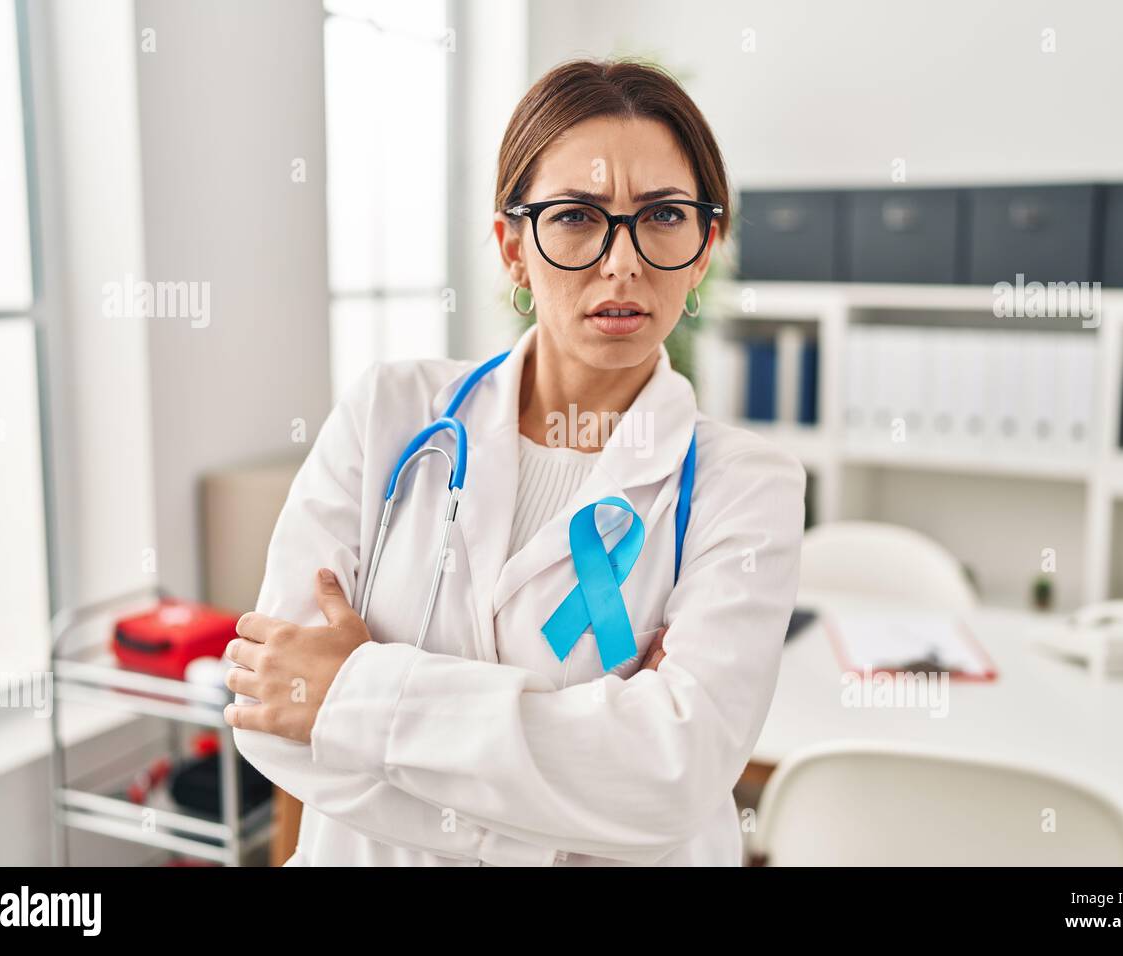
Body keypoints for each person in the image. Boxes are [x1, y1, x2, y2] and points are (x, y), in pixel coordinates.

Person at [223, 57, 805, 866]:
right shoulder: (388, 417)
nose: (623, 261)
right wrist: (573, 796)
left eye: (664, 215)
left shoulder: (745, 490)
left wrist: (353, 696)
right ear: (512, 248)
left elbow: (672, 778)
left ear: (705, 247)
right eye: (576, 215)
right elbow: (270, 704)